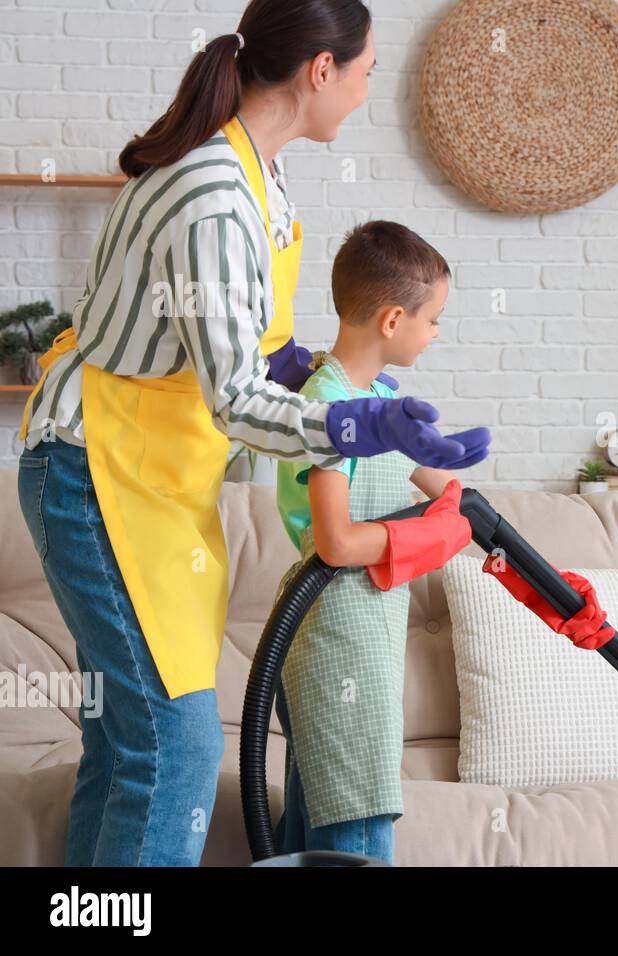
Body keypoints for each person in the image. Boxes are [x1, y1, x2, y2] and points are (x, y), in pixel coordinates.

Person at [15, 0, 490, 866]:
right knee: (177, 747)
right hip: (98, 474)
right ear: (321, 69)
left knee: (130, 751)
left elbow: (249, 349)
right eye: (366, 70)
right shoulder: (212, 195)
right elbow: (235, 399)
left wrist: (340, 394)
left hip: (151, 481)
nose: (364, 89)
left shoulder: (260, 182)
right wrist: (359, 420)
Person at [269, 221, 475, 863]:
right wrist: (427, 536)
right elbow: (335, 542)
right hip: (337, 637)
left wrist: (458, 498)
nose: (437, 332)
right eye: (434, 318)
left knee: (320, 823)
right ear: (393, 320)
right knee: (355, 823)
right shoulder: (333, 410)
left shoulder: (377, 399)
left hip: (363, 633)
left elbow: (446, 492)